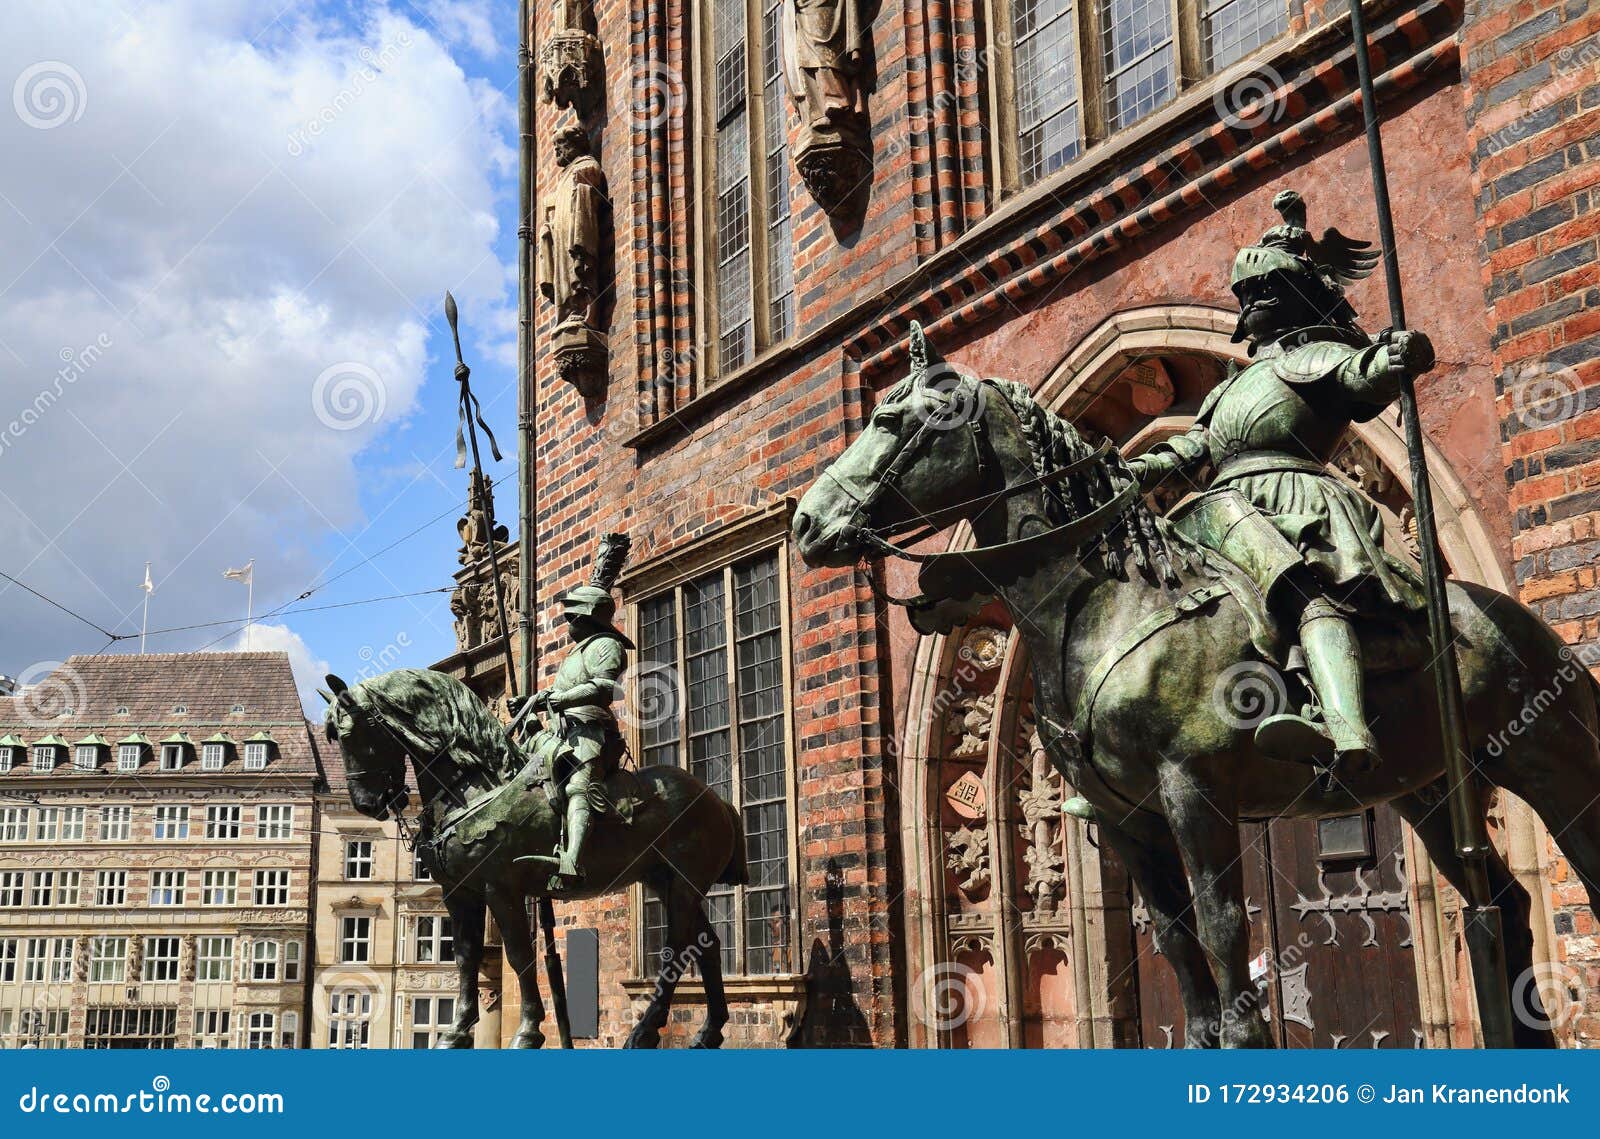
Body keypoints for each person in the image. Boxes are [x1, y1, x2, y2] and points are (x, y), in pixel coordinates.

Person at [1127, 190, 1434, 783]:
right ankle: (1128, 747)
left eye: (1268, 289)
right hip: (1217, 510)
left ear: (1301, 299)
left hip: (1291, 501)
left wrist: (1397, 357)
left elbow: (1362, 377)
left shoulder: (1318, 356)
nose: (1256, 299)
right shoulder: (1228, 388)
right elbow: (1194, 449)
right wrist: (1131, 470)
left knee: (1307, 597)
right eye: (1249, 292)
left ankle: (1344, 723)